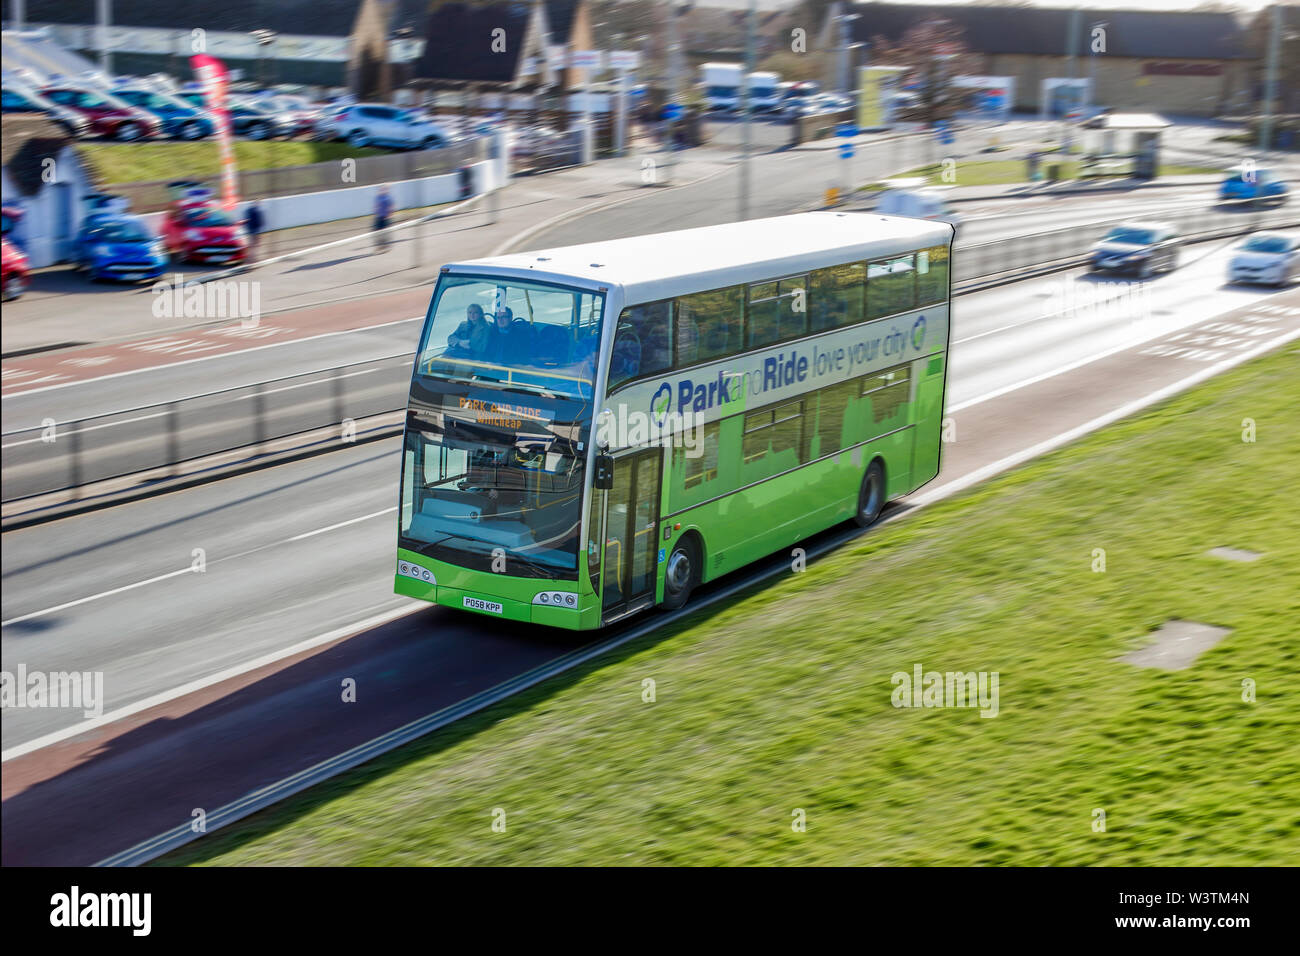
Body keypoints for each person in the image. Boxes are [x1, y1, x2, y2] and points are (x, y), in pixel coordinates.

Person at [373, 185, 393, 252]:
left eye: (384, 189)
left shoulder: (388, 197)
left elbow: (391, 206)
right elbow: (376, 205)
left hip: (385, 217)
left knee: (385, 233)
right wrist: (375, 212)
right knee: (377, 232)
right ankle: (379, 246)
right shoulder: (378, 197)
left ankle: (385, 246)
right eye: (381, 189)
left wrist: (389, 215)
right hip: (378, 217)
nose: (382, 190)